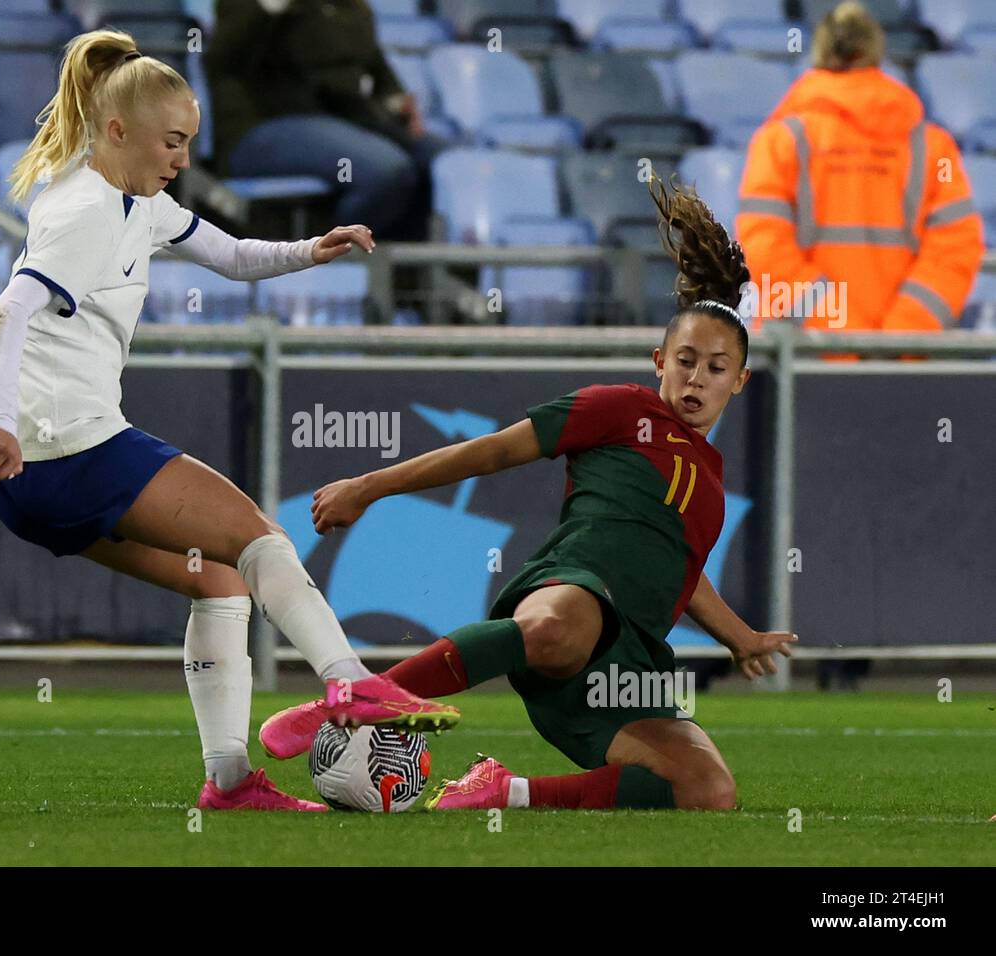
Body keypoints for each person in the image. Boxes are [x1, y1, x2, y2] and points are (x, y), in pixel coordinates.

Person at [0, 29, 459, 812]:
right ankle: (351, 684)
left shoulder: (142, 204)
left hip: (35, 476)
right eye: (173, 141)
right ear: (119, 130)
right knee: (262, 537)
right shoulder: (86, 210)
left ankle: (229, 783)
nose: (184, 159)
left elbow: (233, 257)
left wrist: (312, 250)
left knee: (221, 579)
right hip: (64, 450)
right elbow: (7, 310)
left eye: (190, 143)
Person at [259, 177, 798, 811]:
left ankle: (501, 792)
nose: (696, 378)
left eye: (715, 368)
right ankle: (363, 696)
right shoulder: (618, 409)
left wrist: (740, 636)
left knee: (709, 791)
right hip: (568, 600)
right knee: (559, 627)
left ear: (739, 380)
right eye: (685, 360)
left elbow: (681, 571)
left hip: (627, 664)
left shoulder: (709, 482)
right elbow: (489, 451)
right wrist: (370, 486)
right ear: (659, 360)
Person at [737, 1, 982, 336]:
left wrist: (839, 329)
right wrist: (898, 334)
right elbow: (957, 250)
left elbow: (764, 248)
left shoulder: (779, 141)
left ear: (820, 53)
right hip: (902, 363)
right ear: (876, 53)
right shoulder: (933, 147)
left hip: (801, 360)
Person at [205, 0, 444, 240]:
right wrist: (268, 9)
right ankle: (320, 254)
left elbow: (374, 65)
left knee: (443, 162)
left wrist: (397, 101)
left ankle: (408, 272)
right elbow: (222, 60)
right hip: (262, 127)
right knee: (388, 171)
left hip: (345, 123)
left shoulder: (350, 8)